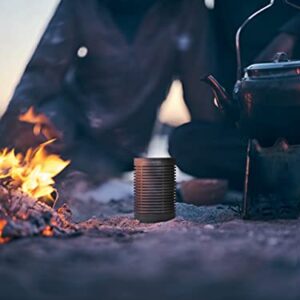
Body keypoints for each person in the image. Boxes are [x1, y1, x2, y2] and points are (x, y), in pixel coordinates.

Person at [0, 0, 218, 182]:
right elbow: (41, 73)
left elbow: (202, 91)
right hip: (68, 126)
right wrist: (7, 137)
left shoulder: (185, 9)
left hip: (121, 146)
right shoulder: (80, 4)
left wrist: (211, 158)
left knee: (96, 174)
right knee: (37, 130)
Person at [169, 0, 300, 190]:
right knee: (186, 143)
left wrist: (290, 33)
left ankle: (277, 176)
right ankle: (283, 175)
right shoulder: (226, 9)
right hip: (255, 130)